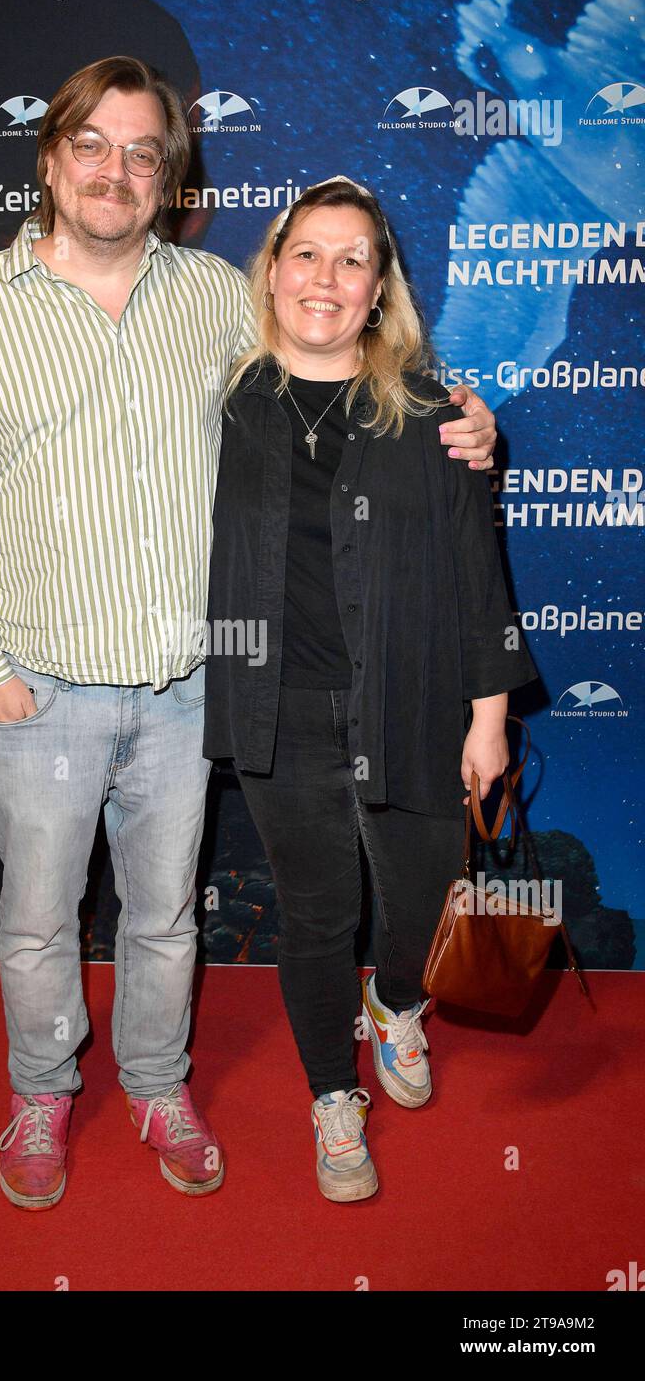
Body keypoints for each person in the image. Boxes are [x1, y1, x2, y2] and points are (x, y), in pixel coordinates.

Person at [0, 55, 500, 1211]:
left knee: (168, 916)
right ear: (51, 156)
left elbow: (342, 356)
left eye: (142, 150)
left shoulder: (218, 294)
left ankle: (161, 1085)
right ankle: (40, 1090)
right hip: (40, 688)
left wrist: (464, 420)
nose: (116, 170)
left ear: (172, 173)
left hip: (190, 690)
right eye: (94, 145)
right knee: (36, 923)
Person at [203, 176, 538, 1202]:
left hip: (413, 697)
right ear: (273, 267)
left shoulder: (436, 415)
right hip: (281, 709)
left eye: (354, 259)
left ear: (380, 286)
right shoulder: (224, 406)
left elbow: (482, 578)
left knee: (426, 897)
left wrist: (488, 719)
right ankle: (329, 1097)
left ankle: (397, 1004)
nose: (327, 277)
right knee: (313, 913)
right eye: (308, 252)